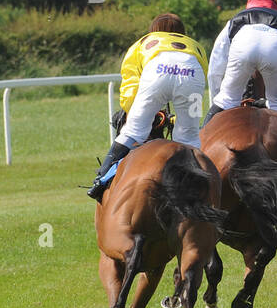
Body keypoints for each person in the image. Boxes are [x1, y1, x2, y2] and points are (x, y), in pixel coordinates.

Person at [87, 13, 208, 201]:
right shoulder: (195, 45)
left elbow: (130, 87)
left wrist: (134, 111)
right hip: (193, 75)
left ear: (154, 31)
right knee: (190, 138)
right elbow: (200, 81)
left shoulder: (143, 42)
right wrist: (177, 119)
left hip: (157, 74)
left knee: (132, 132)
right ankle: (205, 188)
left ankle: (100, 180)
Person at [204, 0, 277, 124]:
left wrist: (220, 97)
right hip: (275, 46)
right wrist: (273, 101)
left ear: (248, 8)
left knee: (226, 99)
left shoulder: (233, 21)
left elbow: (215, 70)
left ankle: (199, 142)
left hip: (244, 41)